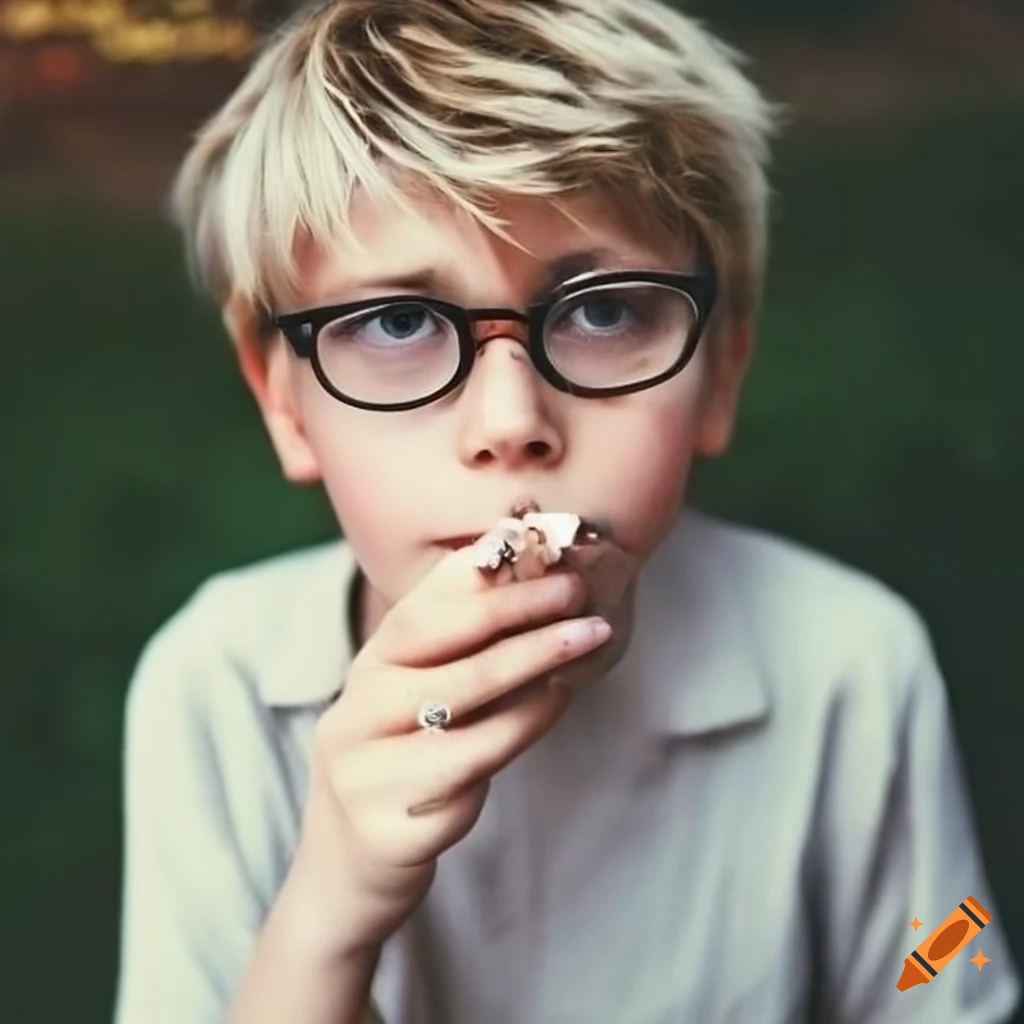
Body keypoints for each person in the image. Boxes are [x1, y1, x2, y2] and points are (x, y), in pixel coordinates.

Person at [112, 1, 1021, 1022]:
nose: (511, 423)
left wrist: (930, 958)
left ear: (719, 370)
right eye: (399, 321)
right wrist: (327, 919)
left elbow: (945, 958)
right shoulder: (218, 690)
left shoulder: (853, 663)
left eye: (602, 310)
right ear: (285, 402)